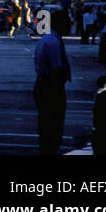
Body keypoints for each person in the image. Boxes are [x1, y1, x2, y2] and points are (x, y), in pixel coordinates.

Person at [33, 26, 71, 154]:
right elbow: (56, 68)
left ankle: (47, 148)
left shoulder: (49, 39)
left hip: (45, 85)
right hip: (50, 87)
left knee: (46, 125)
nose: (70, 25)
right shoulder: (53, 42)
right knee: (52, 125)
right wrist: (58, 88)